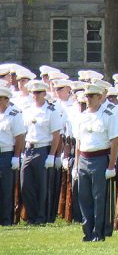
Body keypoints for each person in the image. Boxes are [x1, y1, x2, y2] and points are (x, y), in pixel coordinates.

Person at [74, 84, 118, 242]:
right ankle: (87, 231)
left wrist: (111, 165)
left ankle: (98, 232)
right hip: (84, 159)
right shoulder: (82, 116)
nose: (88, 99)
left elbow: (115, 141)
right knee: (84, 197)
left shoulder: (108, 115)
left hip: (100, 158)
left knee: (99, 198)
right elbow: (78, 143)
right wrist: (76, 165)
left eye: (92, 96)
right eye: (87, 96)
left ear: (100, 97)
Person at [21, 80, 63, 225]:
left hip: (43, 148)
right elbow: (24, 131)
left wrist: (52, 154)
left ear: (44, 94)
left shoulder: (51, 110)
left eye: (38, 92)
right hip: (28, 149)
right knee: (26, 185)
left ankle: (41, 216)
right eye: (33, 93)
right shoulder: (27, 110)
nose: (35, 95)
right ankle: (31, 216)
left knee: (42, 186)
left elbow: (56, 134)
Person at [0, 85, 25, 226]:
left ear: (6, 99)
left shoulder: (14, 114)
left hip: (7, 153)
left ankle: (6, 220)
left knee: (6, 189)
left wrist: (16, 156)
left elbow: (19, 137)